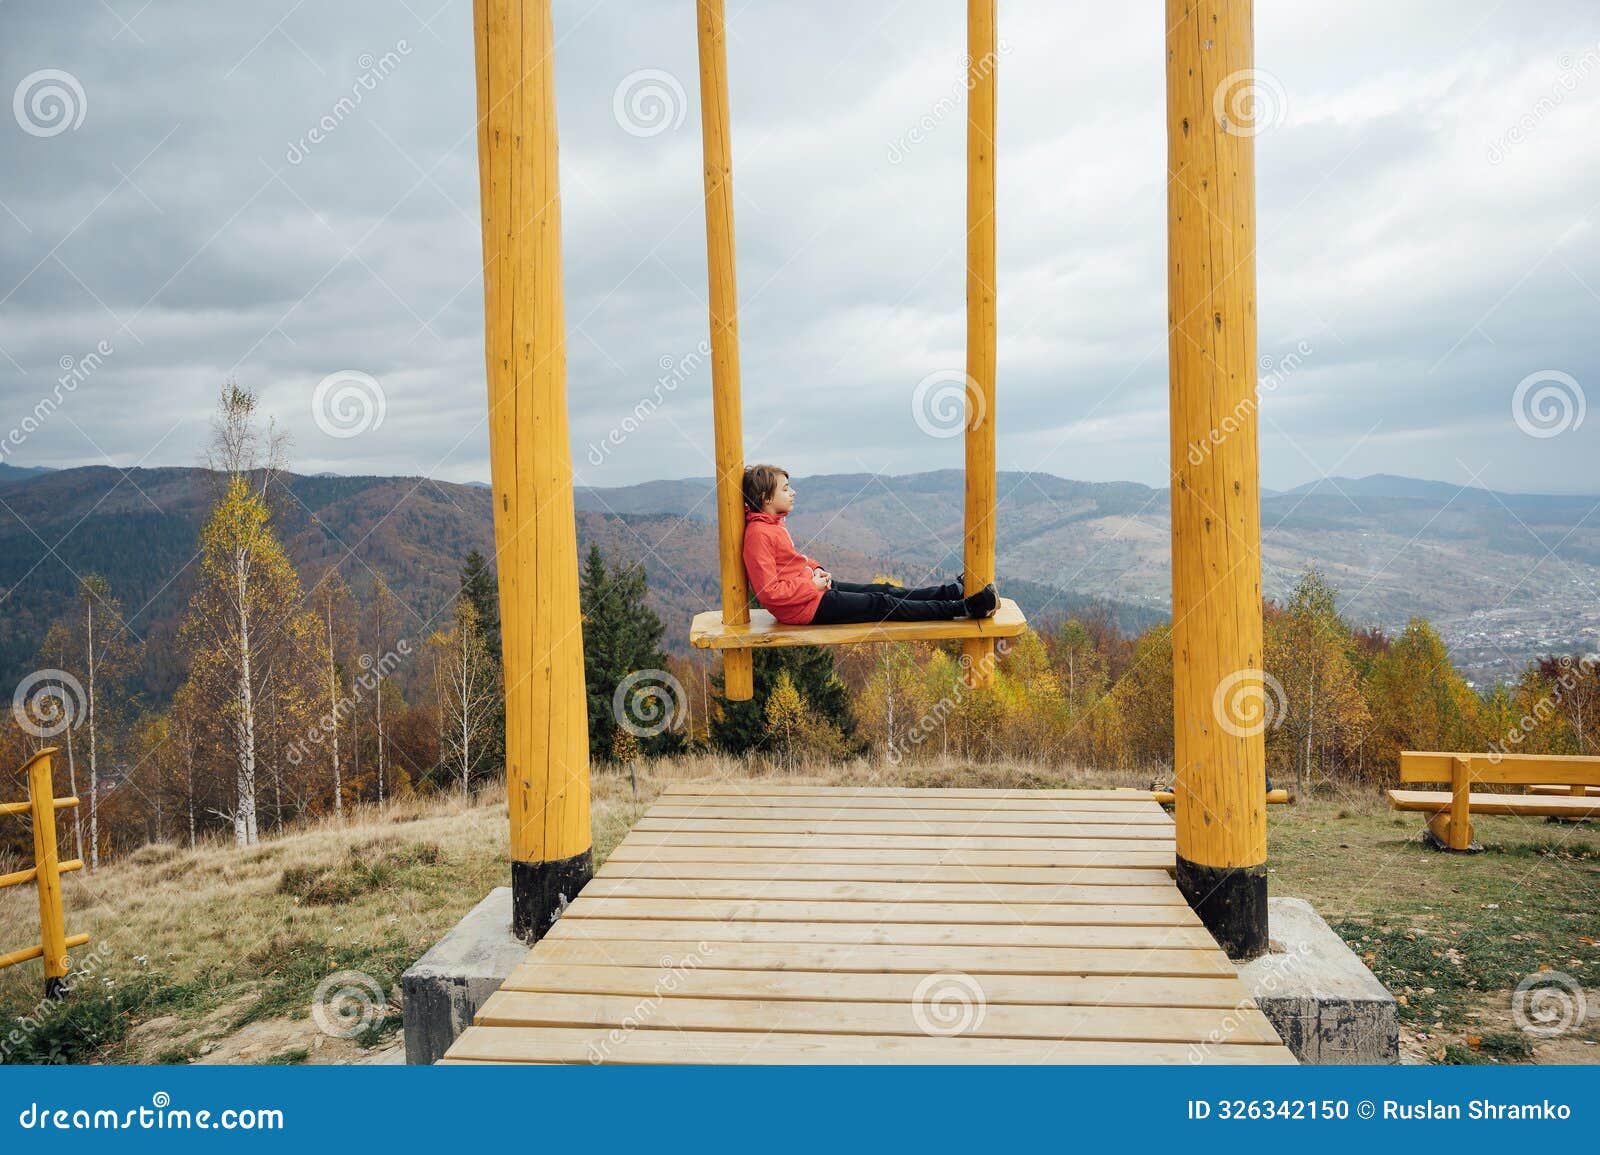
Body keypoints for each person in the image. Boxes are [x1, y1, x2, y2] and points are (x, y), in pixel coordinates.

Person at [740, 463, 999, 627]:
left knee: (883, 589)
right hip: (803, 608)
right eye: (786, 489)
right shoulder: (758, 534)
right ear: (766, 498)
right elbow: (769, 592)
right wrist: (811, 585)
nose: (793, 492)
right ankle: (964, 608)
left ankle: (952, 592)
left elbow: (793, 561)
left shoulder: (772, 525)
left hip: (810, 593)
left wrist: (816, 569)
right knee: (881, 603)